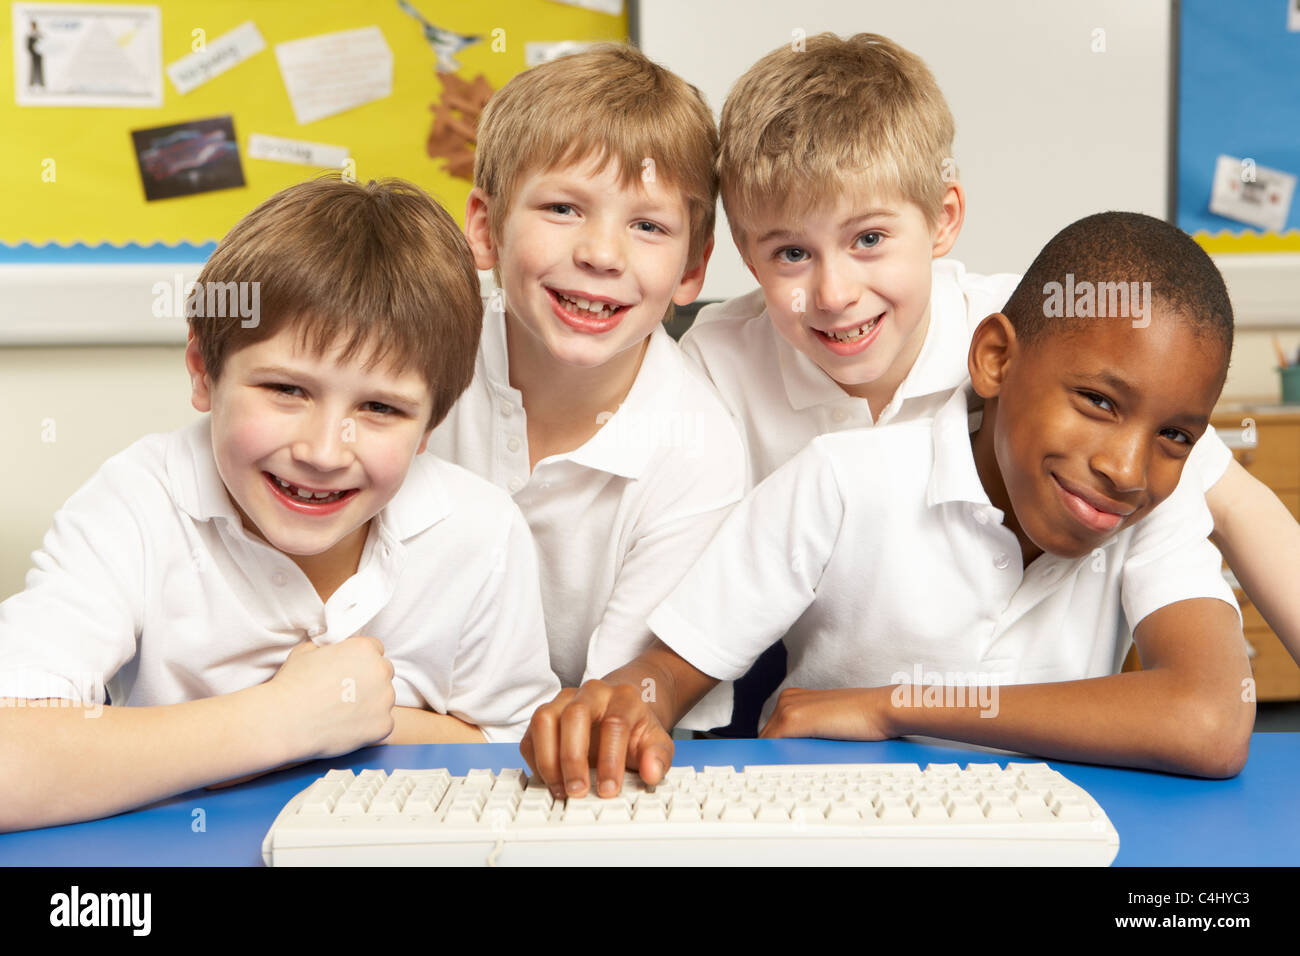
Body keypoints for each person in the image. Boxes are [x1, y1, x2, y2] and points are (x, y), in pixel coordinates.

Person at [521, 212, 1255, 798]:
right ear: (995, 358)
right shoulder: (841, 481)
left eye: (1175, 434)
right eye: (1097, 401)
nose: (1125, 468)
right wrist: (618, 707)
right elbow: (668, 672)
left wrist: (894, 704)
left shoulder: (1156, 511)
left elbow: (1210, 719)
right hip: (848, 828)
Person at [0, 177, 559, 831]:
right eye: (287, 390)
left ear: (431, 424)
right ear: (204, 372)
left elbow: (512, 760)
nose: (325, 450)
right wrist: (284, 721)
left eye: (380, 408)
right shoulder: (136, 504)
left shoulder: (482, 532)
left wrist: (348, 721)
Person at [429, 45, 746, 730]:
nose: (601, 254)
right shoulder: (413, 370)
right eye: (565, 208)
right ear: (485, 231)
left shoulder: (699, 450)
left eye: (647, 226)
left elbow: (607, 724)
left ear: (693, 270)